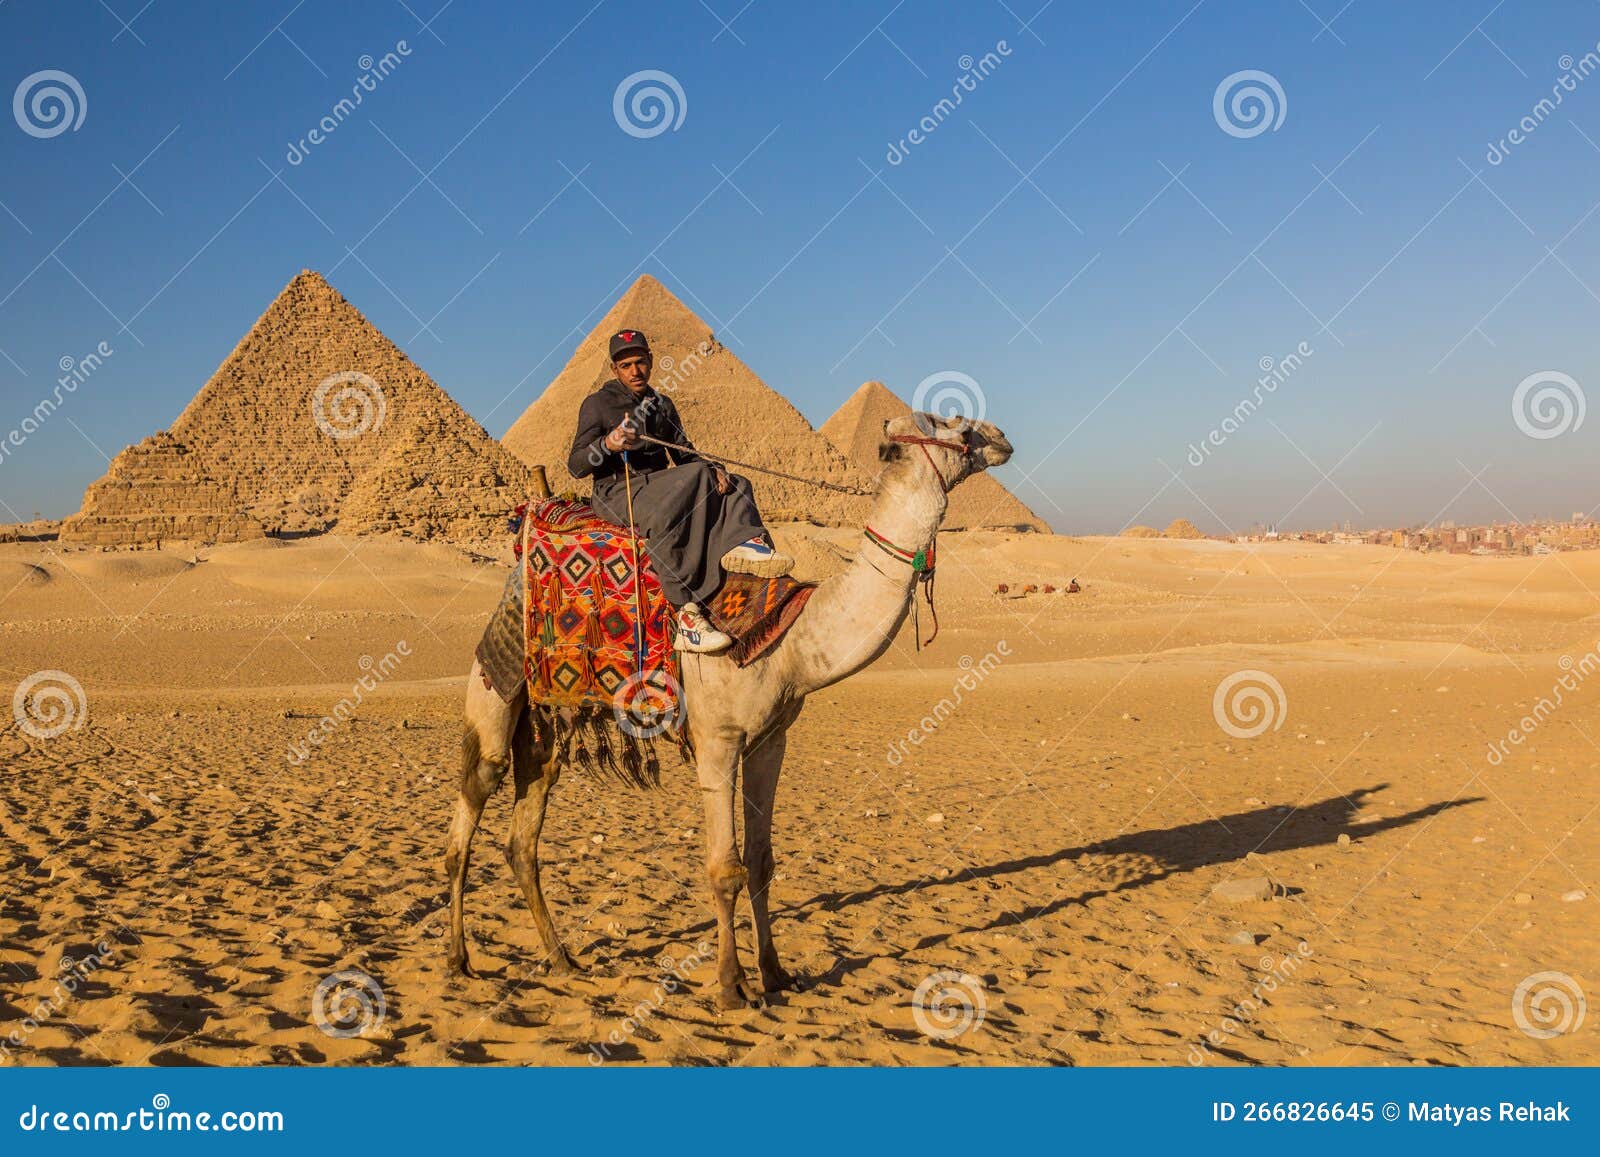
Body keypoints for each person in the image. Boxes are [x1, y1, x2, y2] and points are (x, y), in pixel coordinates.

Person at [568, 328, 794, 654]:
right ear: (615, 369)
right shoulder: (598, 405)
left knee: (736, 484)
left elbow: (686, 455)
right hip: (618, 491)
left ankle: (745, 543)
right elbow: (576, 466)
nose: (635, 371)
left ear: (650, 360)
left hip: (662, 485)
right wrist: (608, 443)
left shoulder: (662, 405)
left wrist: (715, 469)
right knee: (679, 497)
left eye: (640, 362)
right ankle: (686, 615)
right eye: (626, 365)